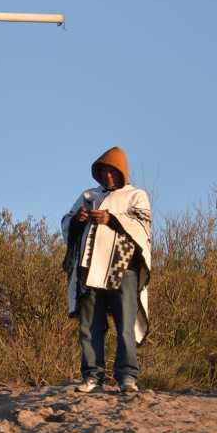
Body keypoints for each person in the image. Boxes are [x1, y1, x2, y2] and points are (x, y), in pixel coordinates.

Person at [61, 147, 152, 394]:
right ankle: (92, 376)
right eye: (103, 171)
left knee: (125, 324)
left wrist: (111, 219)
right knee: (89, 325)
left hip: (124, 269)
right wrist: (78, 220)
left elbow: (143, 228)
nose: (108, 176)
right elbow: (66, 221)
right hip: (89, 269)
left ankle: (127, 377)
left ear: (121, 172)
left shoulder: (136, 196)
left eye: (112, 171)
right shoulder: (88, 195)